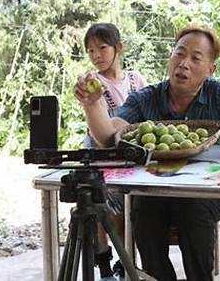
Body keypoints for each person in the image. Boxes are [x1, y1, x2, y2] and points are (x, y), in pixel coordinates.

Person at [74, 25, 220, 281]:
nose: (184, 63)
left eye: (195, 58)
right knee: (143, 210)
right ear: (170, 57)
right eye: (179, 54)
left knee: (192, 208)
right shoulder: (146, 98)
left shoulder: (217, 94)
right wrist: (93, 106)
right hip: (154, 194)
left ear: (210, 70)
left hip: (206, 195)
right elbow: (110, 136)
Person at [80, 23, 147, 281]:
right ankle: (104, 264)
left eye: (102, 47)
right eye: (90, 51)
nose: (96, 55)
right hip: (101, 153)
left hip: (130, 153)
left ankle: (126, 262)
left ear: (119, 48)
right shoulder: (94, 82)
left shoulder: (136, 80)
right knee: (102, 208)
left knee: (124, 211)